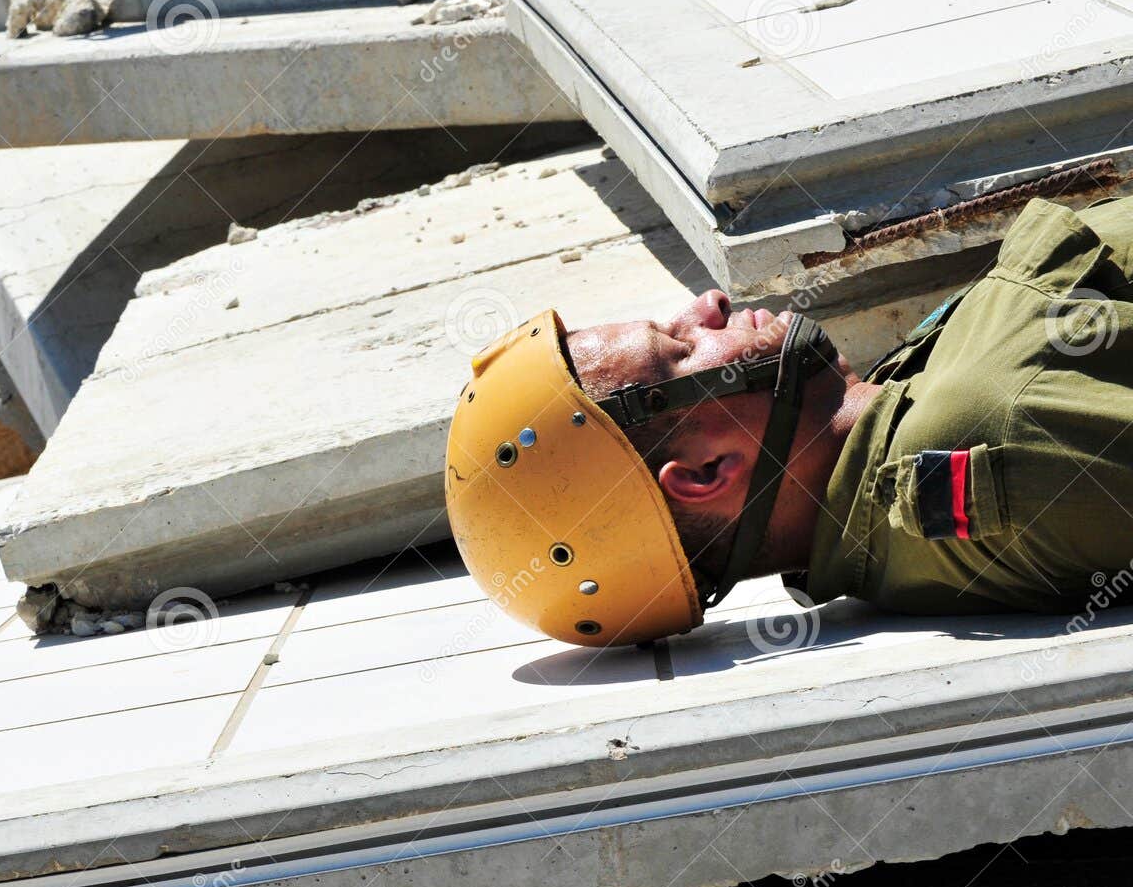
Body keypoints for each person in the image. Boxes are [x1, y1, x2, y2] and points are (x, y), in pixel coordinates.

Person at [445, 194, 1133, 647]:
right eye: (679, 347)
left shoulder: (902, 425)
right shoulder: (998, 431)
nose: (707, 303)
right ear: (708, 472)